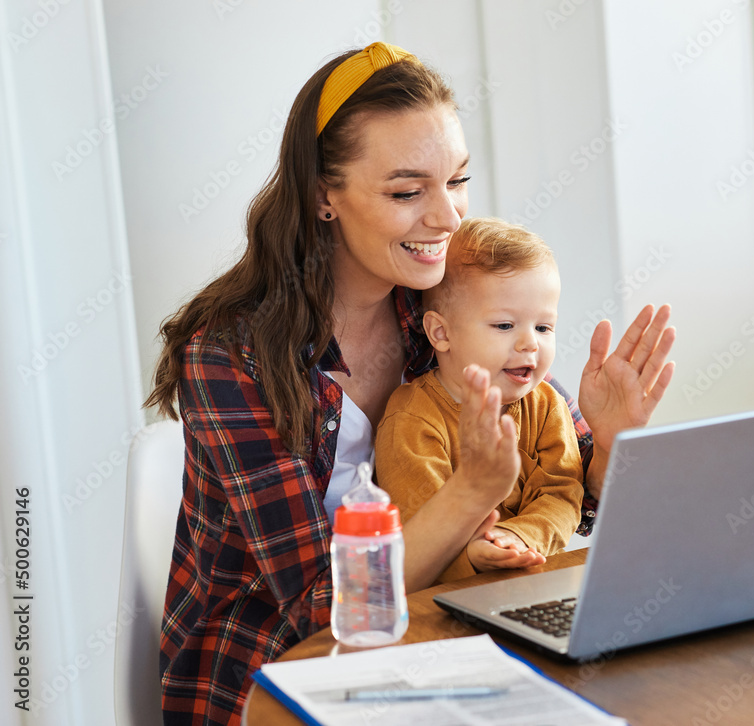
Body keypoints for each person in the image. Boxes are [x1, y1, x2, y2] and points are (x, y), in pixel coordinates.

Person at [145, 42, 675, 725]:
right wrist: (470, 495)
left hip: (449, 641)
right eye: (407, 191)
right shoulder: (229, 358)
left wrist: (612, 441)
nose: (449, 218)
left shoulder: (446, 309)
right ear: (323, 197)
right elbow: (324, 607)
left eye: (456, 181)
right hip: (276, 676)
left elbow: (571, 505)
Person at [376, 217, 584, 585]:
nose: (530, 344)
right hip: (445, 599)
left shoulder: (547, 402)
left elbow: (562, 492)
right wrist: (475, 553)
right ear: (441, 332)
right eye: (505, 326)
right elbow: (419, 526)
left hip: (534, 581)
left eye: (543, 327)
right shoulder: (412, 417)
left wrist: (519, 537)